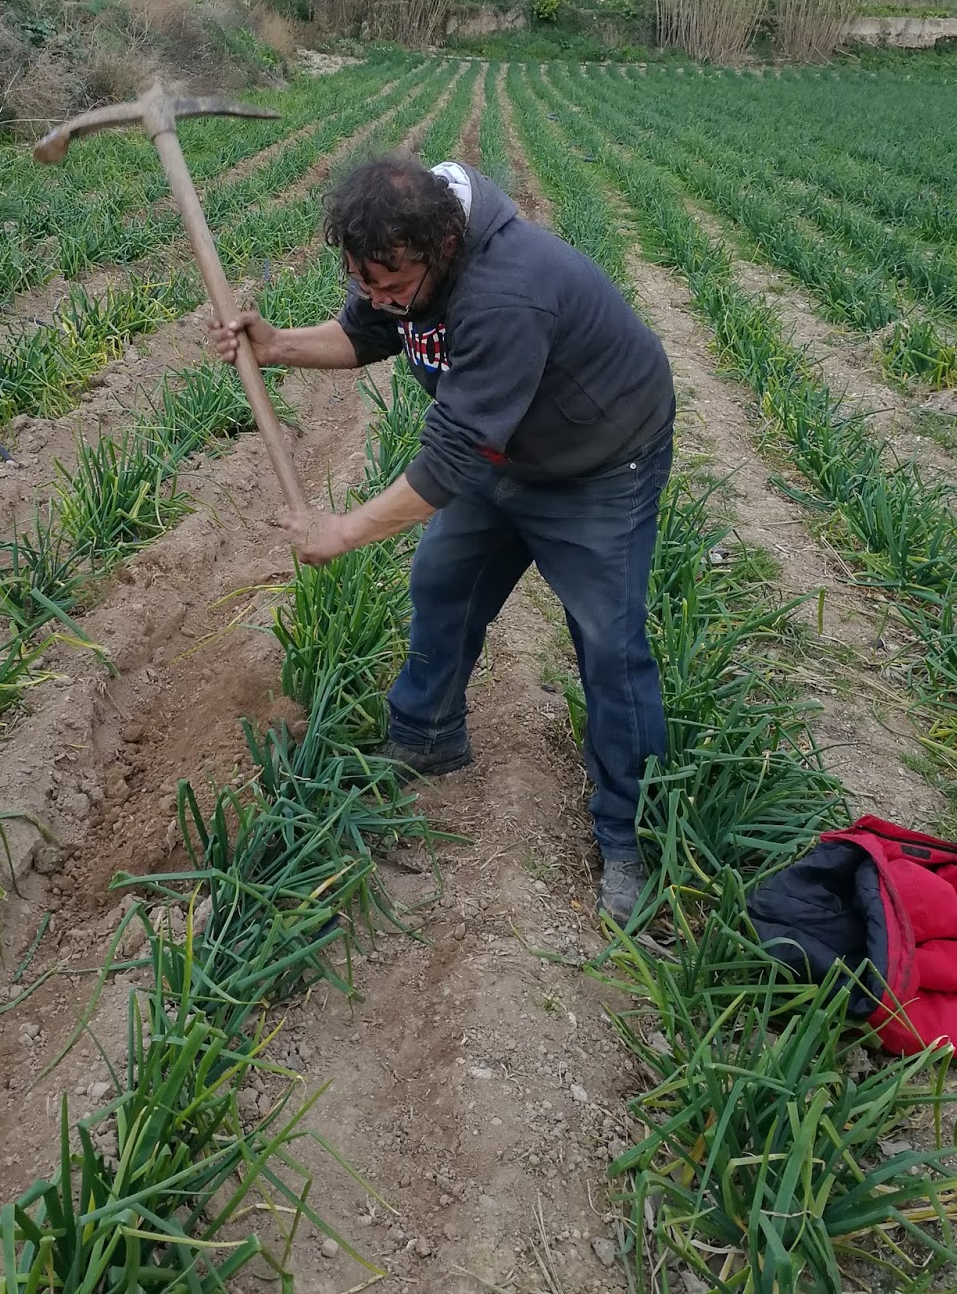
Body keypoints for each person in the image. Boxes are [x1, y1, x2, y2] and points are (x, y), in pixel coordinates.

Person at [211, 153, 675, 922]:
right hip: (507, 443)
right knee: (442, 583)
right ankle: (428, 735)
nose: (381, 299)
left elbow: (452, 457)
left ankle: (630, 836)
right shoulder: (401, 256)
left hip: (598, 462)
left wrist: (340, 530)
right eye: (369, 283)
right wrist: (278, 342)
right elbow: (368, 333)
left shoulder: (507, 292)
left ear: (447, 246)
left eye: (395, 287)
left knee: (610, 643)